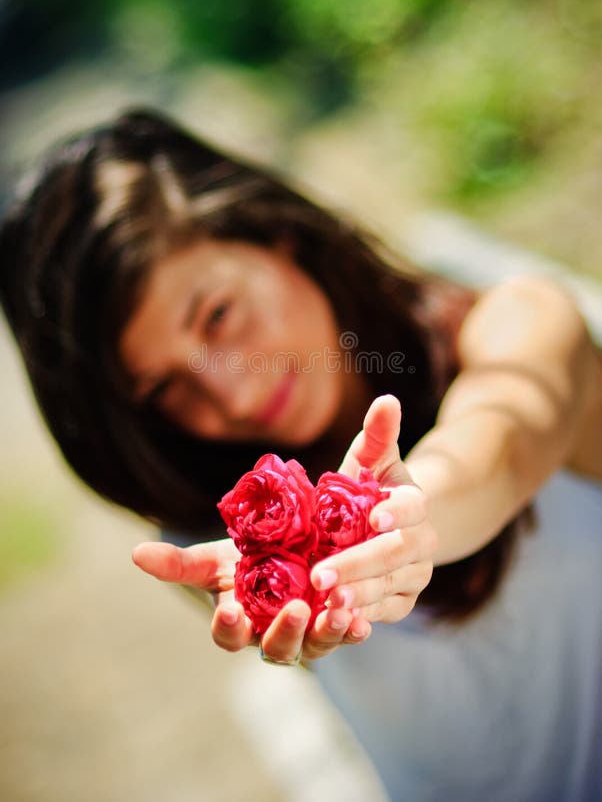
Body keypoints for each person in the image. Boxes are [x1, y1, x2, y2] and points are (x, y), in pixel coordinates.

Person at [1, 108, 601, 801]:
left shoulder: (520, 326)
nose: (233, 396)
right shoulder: (219, 546)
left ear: (277, 235)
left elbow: (498, 447)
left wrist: (400, 519)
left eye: (218, 316)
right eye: (166, 387)